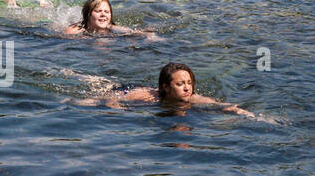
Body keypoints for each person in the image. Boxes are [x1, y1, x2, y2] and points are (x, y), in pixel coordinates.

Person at [86, 63, 263, 118]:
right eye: (180, 84)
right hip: (125, 90)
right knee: (100, 85)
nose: (187, 88)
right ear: (166, 87)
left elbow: (227, 107)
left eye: (189, 83)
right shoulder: (147, 98)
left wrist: (256, 117)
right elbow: (108, 99)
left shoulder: (194, 98)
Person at [0, 0, 157, 38]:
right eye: (98, 11)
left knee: (50, 9)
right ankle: (12, 0)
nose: (103, 15)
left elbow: (133, 31)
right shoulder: (75, 31)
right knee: (20, 17)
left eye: (106, 12)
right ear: (88, 14)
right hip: (51, 23)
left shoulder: (112, 28)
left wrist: (148, 35)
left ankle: (44, 4)